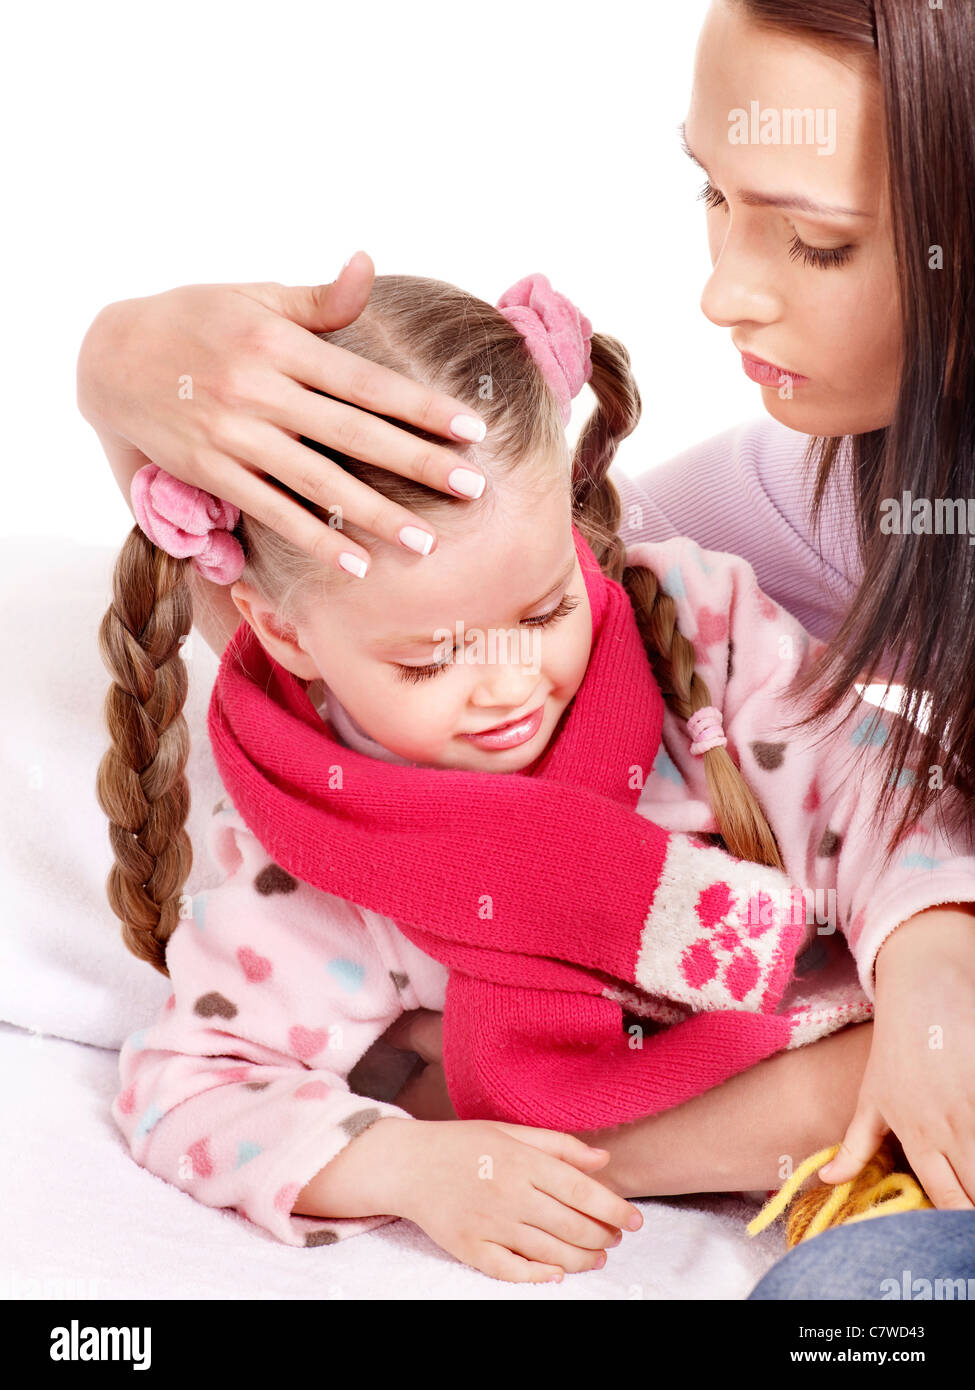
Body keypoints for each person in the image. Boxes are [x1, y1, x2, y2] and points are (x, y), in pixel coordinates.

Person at [77, 0, 975, 1270]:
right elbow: (350, 604)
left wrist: (926, 972)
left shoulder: (693, 644)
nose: (721, 288)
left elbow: (881, 814)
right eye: (707, 193)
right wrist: (125, 375)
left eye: (820, 240)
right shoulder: (719, 547)